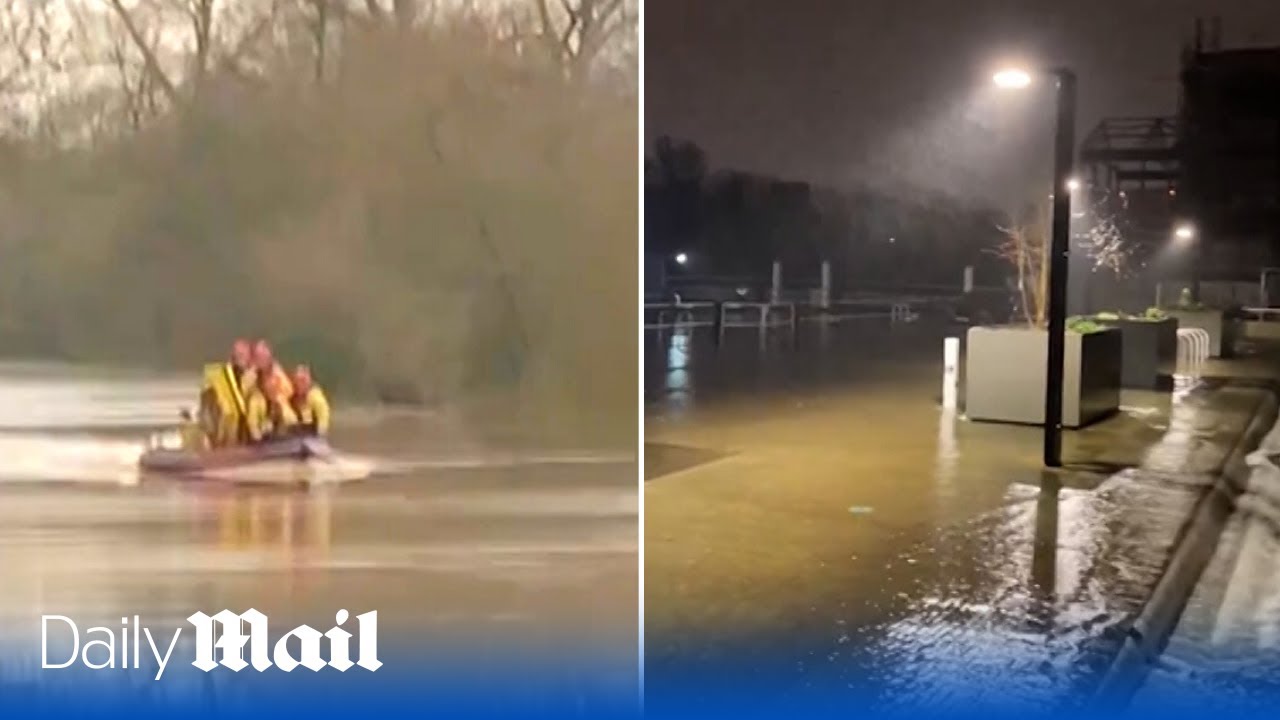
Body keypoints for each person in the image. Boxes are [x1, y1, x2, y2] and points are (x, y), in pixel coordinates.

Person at [244, 371, 298, 443]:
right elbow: (252, 424)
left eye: (275, 387)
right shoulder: (256, 400)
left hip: (281, 439)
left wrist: (281, 410)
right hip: (263, 440)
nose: (272, 388)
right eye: (270, 386)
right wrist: (259, 440)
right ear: (263, 385)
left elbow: (292, 420)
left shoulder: (281, 399)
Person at [289, 364, 331, 437]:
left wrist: (320, 435)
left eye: (303, 380)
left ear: (310, 381)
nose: (299, 384)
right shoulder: (290, 397)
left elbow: (323, 424)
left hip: (314, 438)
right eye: (296, 381)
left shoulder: (317, 399)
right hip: (294, 437)